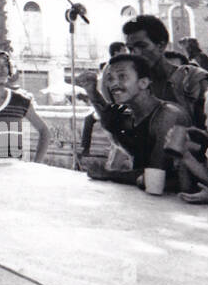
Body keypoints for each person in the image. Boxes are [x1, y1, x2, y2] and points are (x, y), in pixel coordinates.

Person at [81, 53, 192, 193]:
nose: (113, 84)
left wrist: (108, 174)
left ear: (143, 83)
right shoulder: (130, 115)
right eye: (110, 78)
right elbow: (136, 153)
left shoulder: (167, 115)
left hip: (176, 199)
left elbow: (156, 173)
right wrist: (92, 92)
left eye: (122, 76)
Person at [123, 15, 208, 128]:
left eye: (142, 46)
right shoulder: (136, 86)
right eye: (130, 49)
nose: (135, 54)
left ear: (161, 45)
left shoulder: (192, 80)